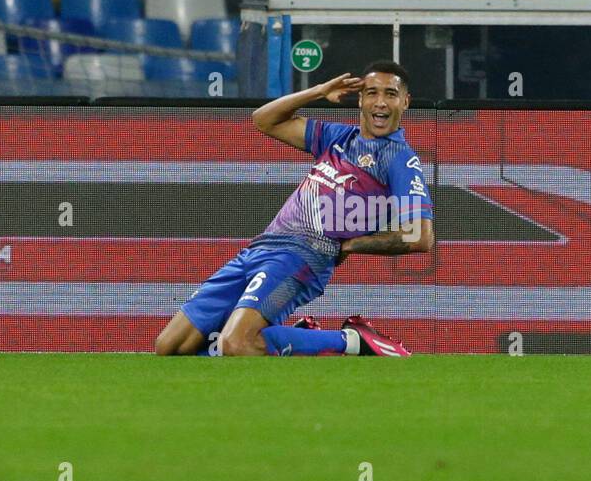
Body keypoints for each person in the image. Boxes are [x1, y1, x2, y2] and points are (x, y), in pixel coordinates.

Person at [154, 60, 435, 357]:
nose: (380, 103)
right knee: (170, 346)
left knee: (236, 343)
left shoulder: (400, 160)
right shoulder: (337, 137)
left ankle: (351, 341)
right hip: (259, 249)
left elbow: (420, 236)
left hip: (303, 256)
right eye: (372, 93)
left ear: (405, 101)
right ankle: (296, 338)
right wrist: (318, 91)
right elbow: (264, 120)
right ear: (361, 98)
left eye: (390, 94)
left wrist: (351, 244)